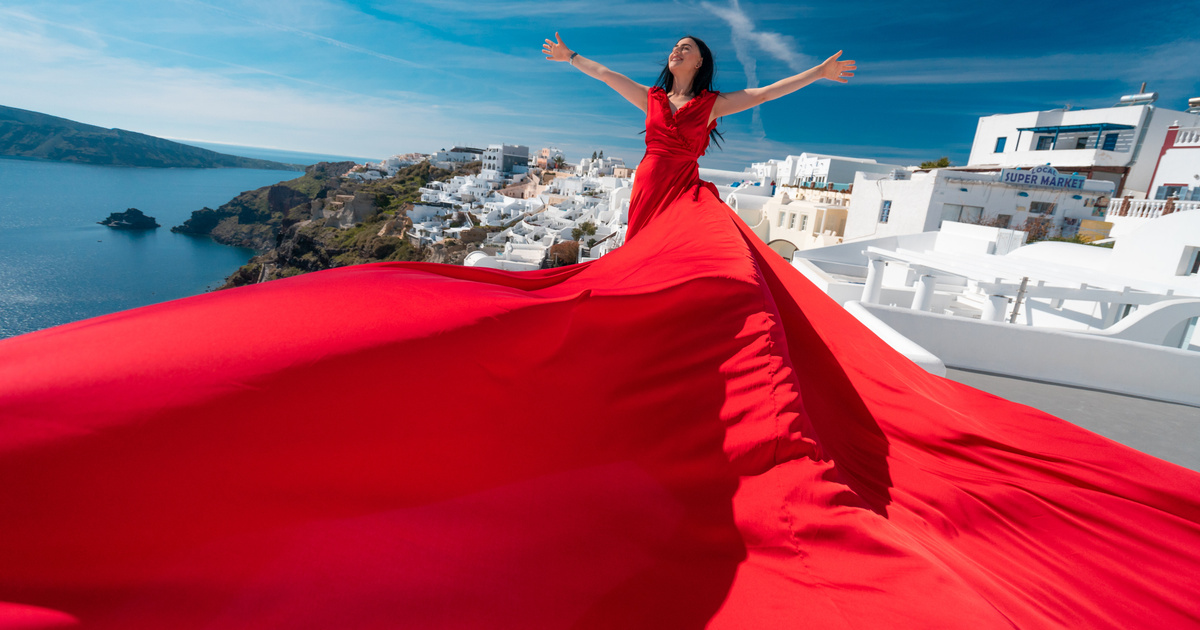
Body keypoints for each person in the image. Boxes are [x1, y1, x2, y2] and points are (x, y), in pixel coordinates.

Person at [0, 34, 1198, 630]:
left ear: (705, 67)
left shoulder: (724, 104)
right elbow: (602, 100)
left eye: (688, 56)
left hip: (683, 203)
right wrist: (575, 56)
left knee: (697, 272)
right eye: (671, 56)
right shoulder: (649, 101)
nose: (679, 65)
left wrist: (821, 77)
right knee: (630, 276)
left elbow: (768, 104)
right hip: (639, 200)